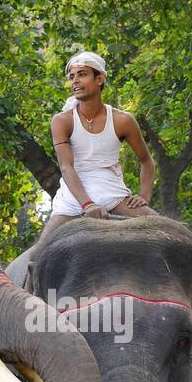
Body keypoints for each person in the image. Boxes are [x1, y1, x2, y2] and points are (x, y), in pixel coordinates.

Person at [38, 52, 156, 244]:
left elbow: (146, 161)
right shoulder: (61, 121)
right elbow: (66, 167)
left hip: (114, 196)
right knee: (37, 256)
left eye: (82, 74)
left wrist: (144, 197)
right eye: (72, 76)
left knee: (165, 231)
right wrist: (88, 204)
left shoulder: (123, 120)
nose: (75, 81)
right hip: (72, 201)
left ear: (100, 78)